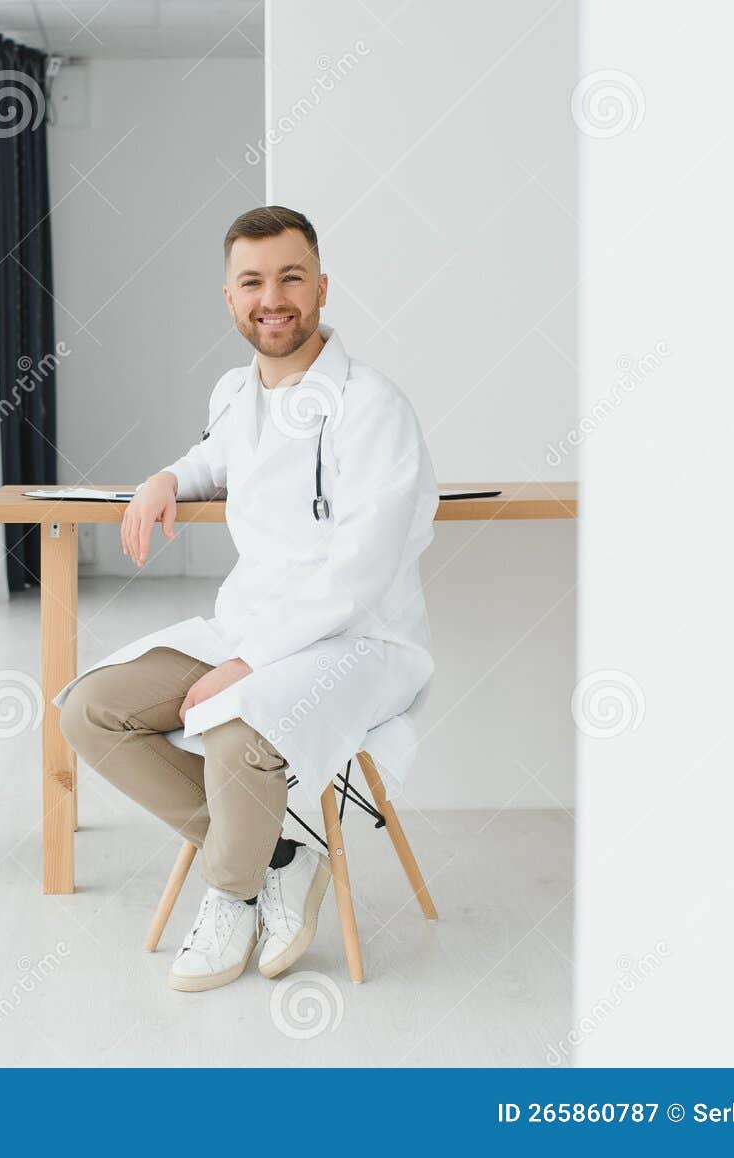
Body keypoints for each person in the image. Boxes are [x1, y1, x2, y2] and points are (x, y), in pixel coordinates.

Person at [56, 206, 439, 992]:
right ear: (229, 299)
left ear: (323, 287)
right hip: (251, 627)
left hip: (363, 641)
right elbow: (215, 456)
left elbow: (357, 579)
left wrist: (246, 665)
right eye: (253, 282)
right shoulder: (237, 390)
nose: (274, 298)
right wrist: (165, 478)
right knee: (88, 711)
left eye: (292, 277)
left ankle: (229, 894)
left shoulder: (373, 407)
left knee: (239, 723)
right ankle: (279, 857)